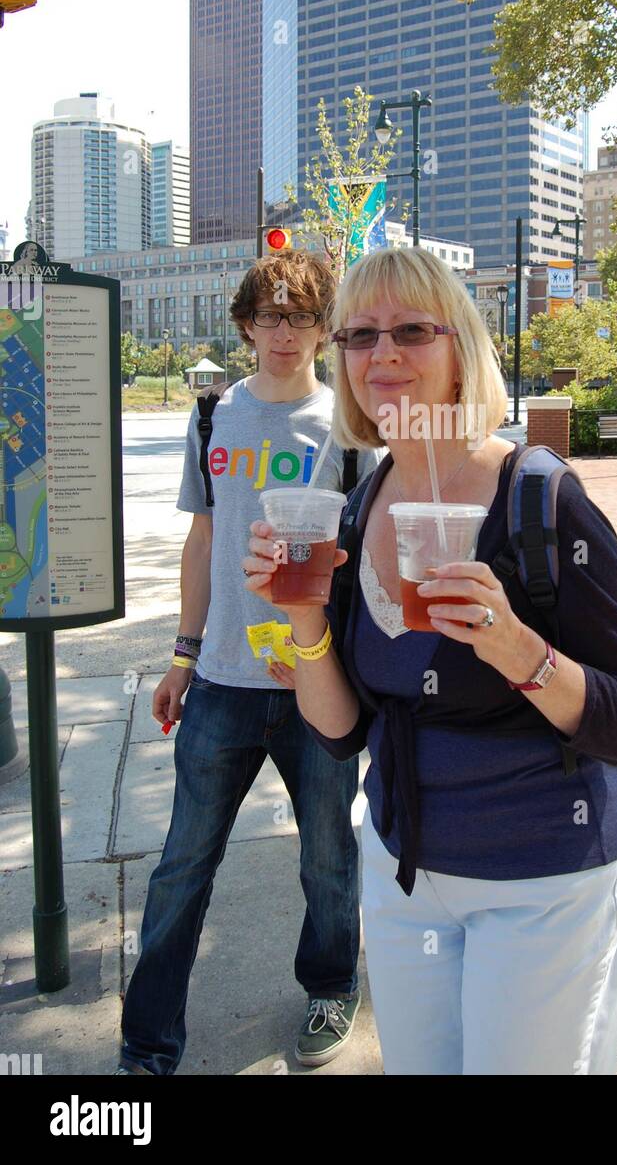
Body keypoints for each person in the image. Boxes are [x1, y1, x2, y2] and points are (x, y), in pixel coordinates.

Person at [243, 247, 617, 1076]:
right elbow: (339, 735)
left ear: (459, 348)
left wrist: (517, 648)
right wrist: (302, 619)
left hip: (541, 877)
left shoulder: (539, 499)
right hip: (404, 878)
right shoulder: (360, 506)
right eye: (360, 336)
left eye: (411, 330)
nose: (384, 354)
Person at [115, 252, 381, 1076]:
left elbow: (369, 553)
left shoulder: (346, 426)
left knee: (329, 855)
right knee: (181, 868)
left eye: (301, 317)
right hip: (225, 682)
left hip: (316, 681)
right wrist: (182, 656)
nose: (284, 332)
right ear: (244, 325)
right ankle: (148, 1045)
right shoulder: (214, 419)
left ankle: (330, 987)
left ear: (323, 328)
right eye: (269, 316)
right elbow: (202, 543)